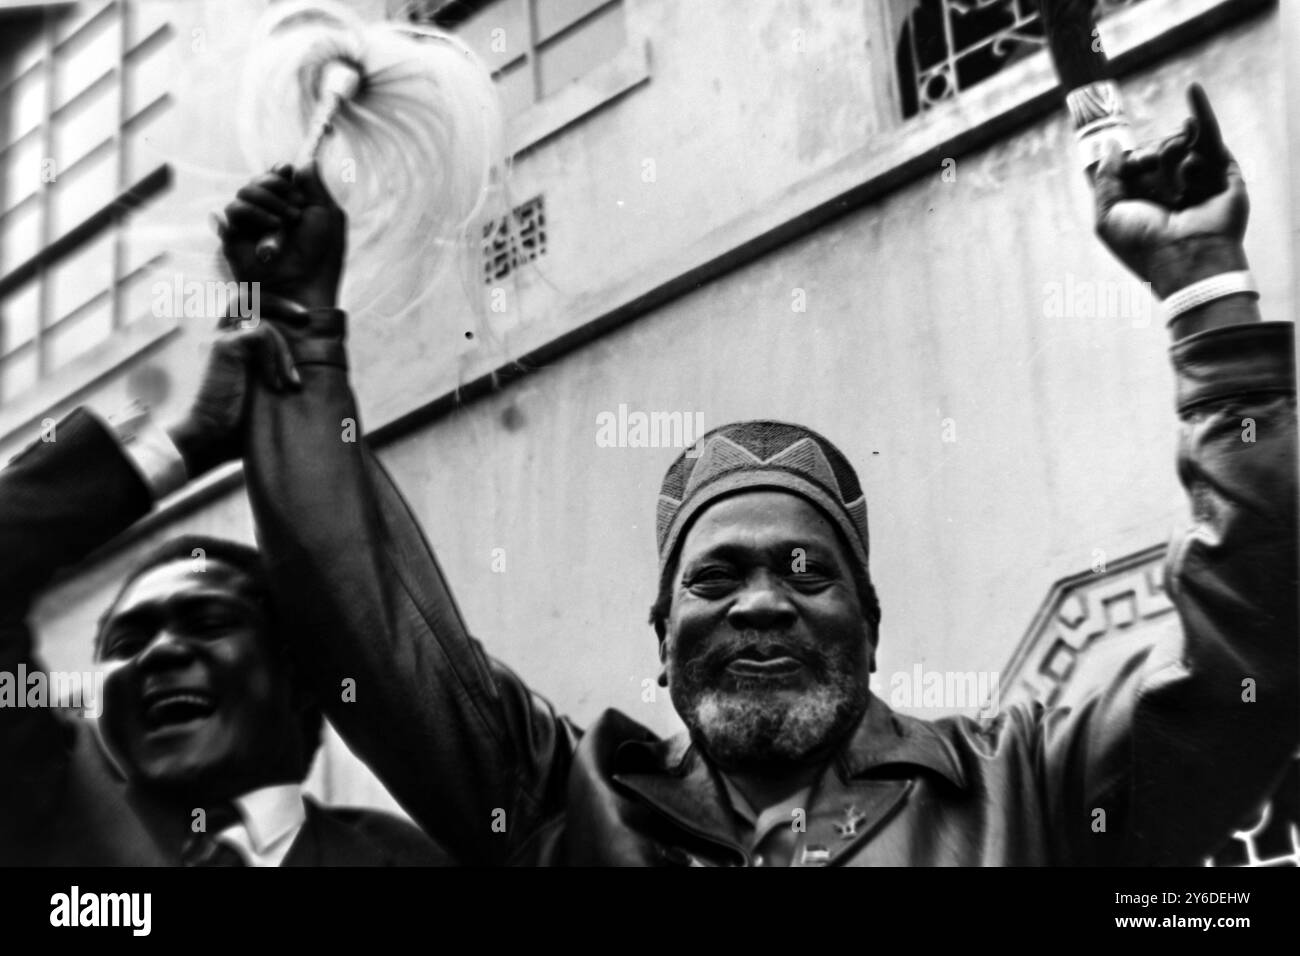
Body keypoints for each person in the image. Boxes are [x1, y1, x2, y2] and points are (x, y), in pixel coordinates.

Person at [225, 85, 1297, 865]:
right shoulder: (569, 810)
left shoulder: (1034, 788)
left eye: (804, 570)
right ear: (659, 634)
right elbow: (367, 623)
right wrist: (304, 340)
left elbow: (1258, 643)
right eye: (715, 577)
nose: (762, 601)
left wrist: (1205, 298)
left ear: (870, 625)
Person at [0, 311, 453, 866]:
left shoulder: (412, 859)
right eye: (126, 644)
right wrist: (190, 440)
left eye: (209, 623)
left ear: (300, 677)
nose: (161, 652)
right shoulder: (40, 812)